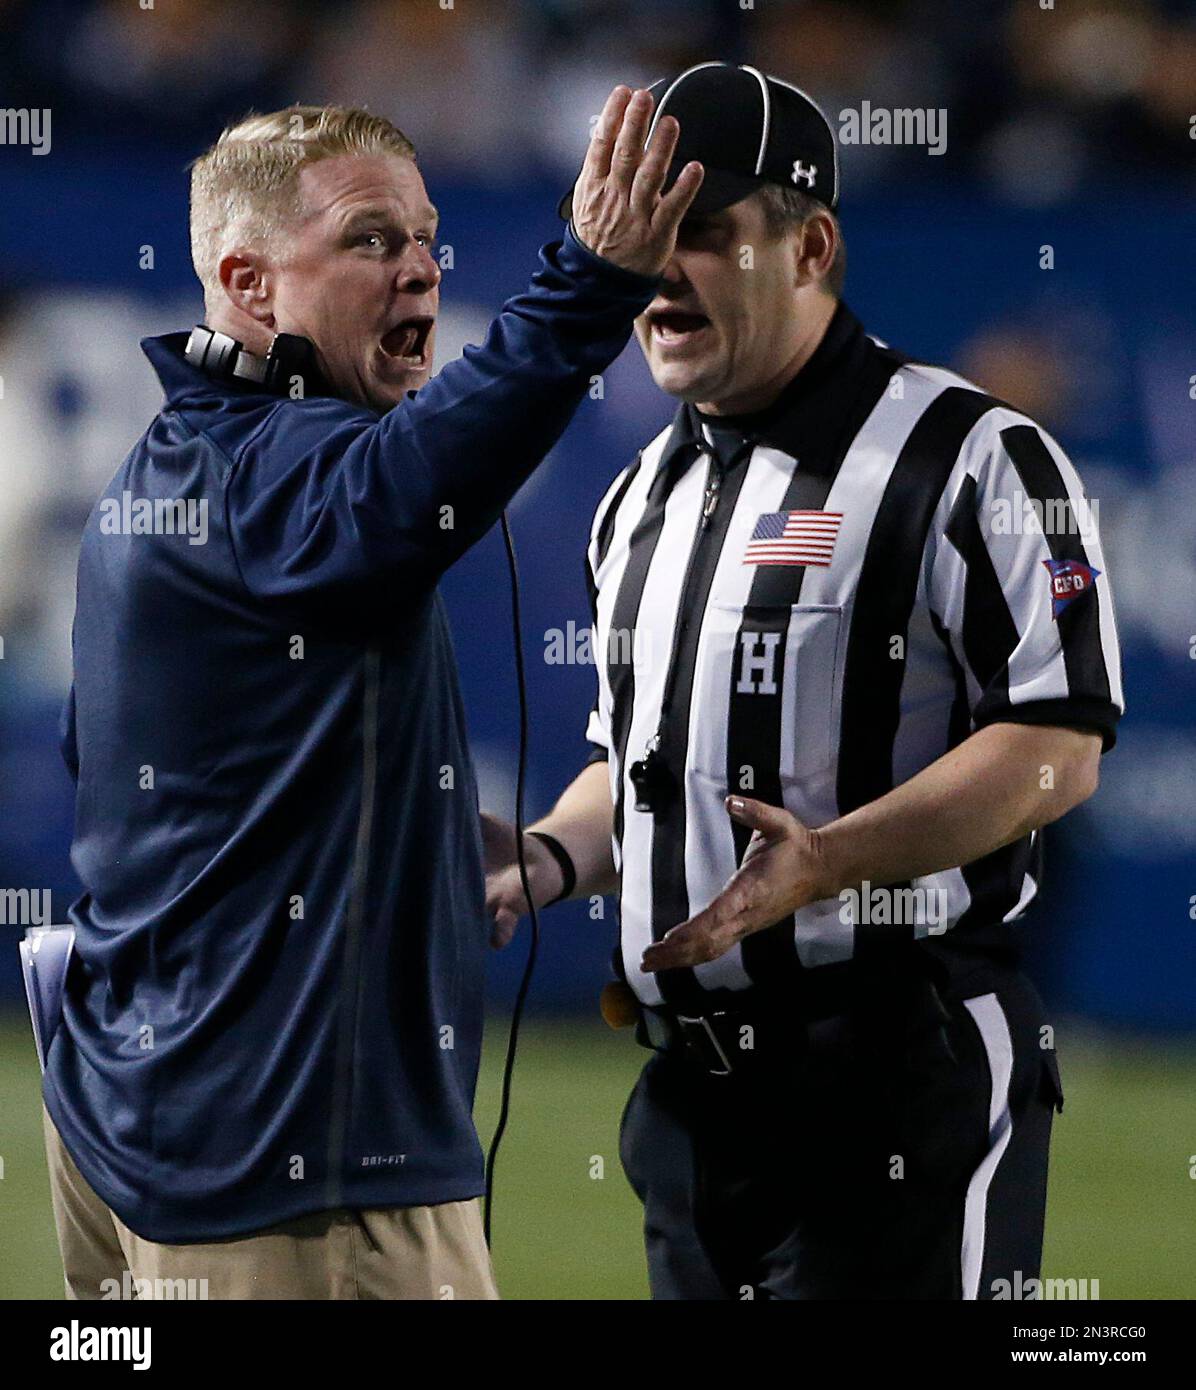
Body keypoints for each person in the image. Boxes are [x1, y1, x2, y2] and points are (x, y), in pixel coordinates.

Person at [43, 88, 702, 1300]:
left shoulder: (161, 475)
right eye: (367, 240)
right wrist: (592, 280)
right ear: (247, 286)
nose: (419, 272)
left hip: (139, 1126)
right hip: (291, 1171)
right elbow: (417, 477)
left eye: (423, 238)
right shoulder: (272, 476)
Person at [485, 62, 1124, 1300]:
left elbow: (1059, 744)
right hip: (688, 1098)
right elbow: (641, 770)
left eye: (706, 234)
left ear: (812, 242)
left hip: (894, 1068)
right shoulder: (637, 500)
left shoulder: (976, 454)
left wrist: (830, 858)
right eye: (641, 237)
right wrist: (549, 857)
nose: (660, 271)